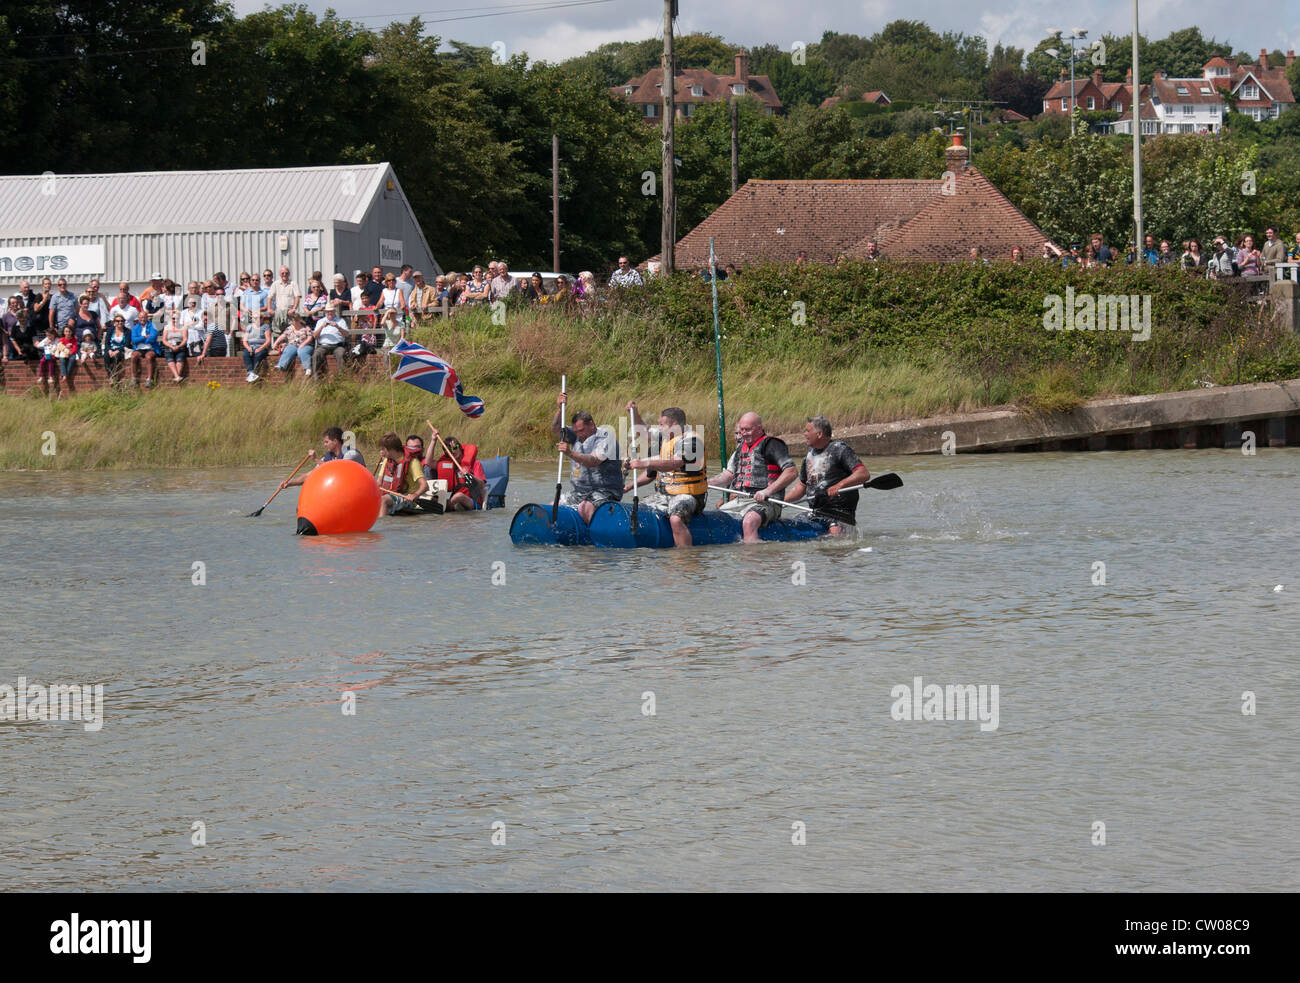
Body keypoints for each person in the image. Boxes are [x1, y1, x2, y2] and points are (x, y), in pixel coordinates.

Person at [707, 412, 797, 543]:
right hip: (741, 501)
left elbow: (792, 471)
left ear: (759, 428)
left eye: (748, 430)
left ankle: (753, 558)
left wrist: (767, 491)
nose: (744, 433)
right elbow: (729, 475)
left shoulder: (772, 444)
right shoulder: (740, 449)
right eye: (742, 430)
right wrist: (708, 482)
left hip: (767, 502)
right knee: (717, 517)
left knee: (749, 521)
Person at [626, 403, 707, 547]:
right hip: (664, 495)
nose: (659, 428)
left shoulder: (692, 440)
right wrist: (635, 413)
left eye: (662, 424)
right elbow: (645, 432)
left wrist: (644, 463)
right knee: (638, 510)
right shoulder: (666, 436)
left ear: (674, 424)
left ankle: (685, 557)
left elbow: (674, 463)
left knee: (676, 518)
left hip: (690, 496)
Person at [783, 416, 871, 536]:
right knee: (790, 523)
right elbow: (801, 486)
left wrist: (840, 485)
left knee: (834, 533)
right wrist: (781, 501)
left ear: (819, 434)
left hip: (838, 514)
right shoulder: (808, 456)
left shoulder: (840, 449)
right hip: (815, 512)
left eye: (807, 431)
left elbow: (863, 474)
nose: (804, 434)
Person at [551, 394, 623, 524]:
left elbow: (593, 460)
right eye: (576, 431)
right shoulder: (577, 435)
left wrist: (569, 452)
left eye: (581, 430)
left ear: (591, 424)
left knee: (585, 508)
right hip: (580, 492)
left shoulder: (606, 438)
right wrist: (560, 409)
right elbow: (556, 429)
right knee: (553, 506)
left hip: (605, 491)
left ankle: (593, 538)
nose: (578, 435)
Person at [281, 427, 367, 489]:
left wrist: (315, 459)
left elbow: (338, 470)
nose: (324, 445)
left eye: (326, 442)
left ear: (335, 441)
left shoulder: (351, 454)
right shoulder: (327, 458)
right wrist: (290, 483)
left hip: (360, 490)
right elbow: (309, 476)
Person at [426, 426, 487, 511]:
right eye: (450, 451)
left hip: (472, 501)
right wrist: (433, 440)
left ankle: (448, 506)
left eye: (455, 448)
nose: (453, 452)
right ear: (447, 453)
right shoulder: (447, 464)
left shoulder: (475, 464)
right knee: (431, 499)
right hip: (453, 500)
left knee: (458, 496)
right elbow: (428, 462)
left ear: (460, 447)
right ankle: (451, 506)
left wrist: (469, 475)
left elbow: (482, 484)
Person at [374, 432, 434, 514]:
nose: (380, 452)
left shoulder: (413, 462)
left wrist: (414, 495)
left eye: (383, 449)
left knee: (383, 500)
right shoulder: (387, 461)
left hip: (408, 498)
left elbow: (425, 486)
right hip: (391, 496)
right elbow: (378, 483)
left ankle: (384, 526)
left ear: (391, 449)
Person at [273, 312, 315, 376]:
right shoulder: (289, 328)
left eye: (295, 320)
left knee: (302, 351)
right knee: (288, 349)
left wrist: (303, 344)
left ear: (298, 320)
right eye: (292, 320)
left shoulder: (306, 328)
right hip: (293, 345)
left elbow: (310, 338)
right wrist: (275, 343)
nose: (293, 322)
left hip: (306, 345)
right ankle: (281, 365)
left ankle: (307, 368)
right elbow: (283, 336)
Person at [313, 302, 350, 375]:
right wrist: (321, 327)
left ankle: (342, 377)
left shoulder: (341, 321)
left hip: (337, 345)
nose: (329, 313)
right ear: (325, 312)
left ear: (334, 311)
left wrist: (337, 327)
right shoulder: (320, 321)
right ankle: (316, 379)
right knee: (316, 355)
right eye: (327, 311)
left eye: (331, 311)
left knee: (341, 354)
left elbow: (346, 334)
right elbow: (315, 336)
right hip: (323, 345)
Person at [130, 313, 159, 388]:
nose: (142, 319)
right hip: (139, 348)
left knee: (148, 357)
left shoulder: (152, 326)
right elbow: (133, 340)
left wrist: (140, 339)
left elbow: (153, 338)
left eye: (144, 317)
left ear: (147, 318)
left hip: (150, 348)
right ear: (138, 318)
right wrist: (144, 337)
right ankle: (133, 378)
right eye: (140, 317)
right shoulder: (135, 327)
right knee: (133, 356)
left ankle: (149, 379)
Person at [241, 312, 272, 382]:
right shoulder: (249, 327)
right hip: (251, 346)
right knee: (246, 354)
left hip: (261, 346)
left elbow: (268, 340)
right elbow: (244, 341)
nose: (258, 319)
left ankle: (254, 373)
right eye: (256, 318)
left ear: (262, 318)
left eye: (260, 317)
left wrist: (260, 348)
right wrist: (248, 348)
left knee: (258, 355)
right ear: (253, 319)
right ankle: (250, 373)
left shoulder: (265, 326)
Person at [159, 308, 188, 382]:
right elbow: (164, 340)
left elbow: (185, 339)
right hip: (169, 346)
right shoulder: (167, 327)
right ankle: (177, 377)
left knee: (180, 360)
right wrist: (171, 346)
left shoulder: (183, 327)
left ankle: (176, 377)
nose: (175, 320)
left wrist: (179, 346)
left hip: (180, 346)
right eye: (173, 318)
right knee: (170, 359)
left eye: (177, 318)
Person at [102, 315, 131, 384]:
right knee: (106, 356)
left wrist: (117, 351)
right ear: (114, 322)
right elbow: (107, 342)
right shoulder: (110, 330)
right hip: (111, 349)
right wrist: (109, 350)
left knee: (117, 357)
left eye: (121, 321)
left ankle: (114, 375)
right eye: (117, 321)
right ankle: (110, 376)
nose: (120, 322)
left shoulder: (127, 331)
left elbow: (127, 344)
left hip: (121, 350)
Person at [35, 326, 61, 396]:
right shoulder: (46, 339)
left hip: (53, 354)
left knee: (50, 361)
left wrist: (51, 344)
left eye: (50, 335)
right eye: (47, 335)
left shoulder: (57, 340)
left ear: (53, 334)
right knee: (42, 361)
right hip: (47, 355)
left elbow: (57, 347)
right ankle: (41, 376)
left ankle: (51, 376)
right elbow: (38, 345)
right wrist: (45, 344)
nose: (48, 337)